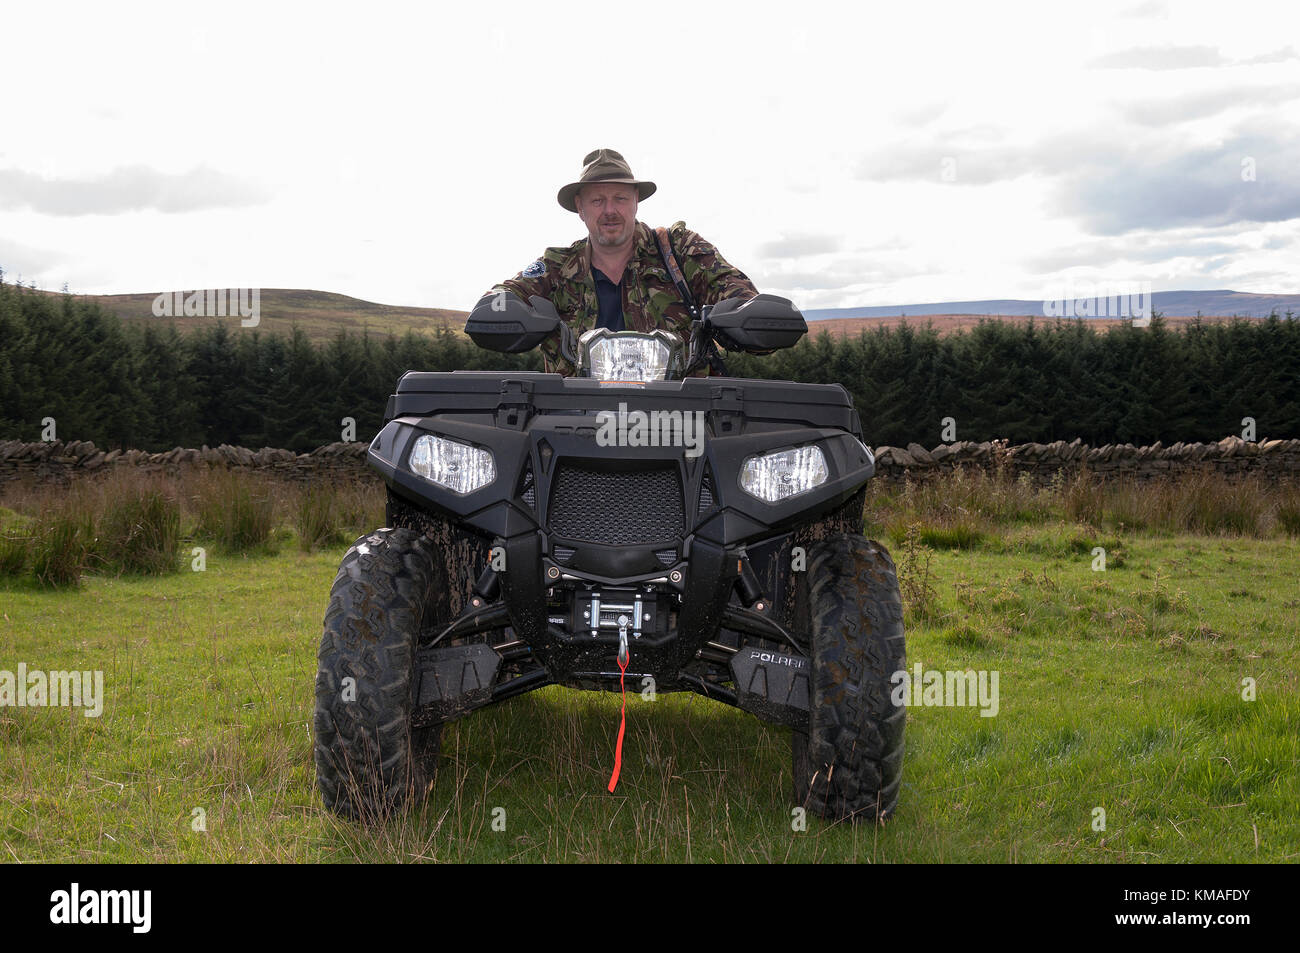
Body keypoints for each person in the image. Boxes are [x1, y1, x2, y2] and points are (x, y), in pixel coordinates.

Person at [484, 148, 758, 373]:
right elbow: (501, 297)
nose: (610, 211)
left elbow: (736, 292)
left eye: (620, 198)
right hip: (572, 426)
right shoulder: (557, 268)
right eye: (597, 201)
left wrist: (749, 315)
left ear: (636, 200)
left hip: (679, 423)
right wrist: (503, 309)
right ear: (580, 207)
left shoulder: (680, 252)